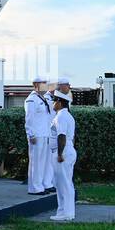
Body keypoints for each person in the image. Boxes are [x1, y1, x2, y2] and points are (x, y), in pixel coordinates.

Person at [50, 93, 77, 221]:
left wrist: (60, 154)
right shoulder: (67, 116)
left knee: (64, 184)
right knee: (63, 183)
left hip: (62, 152)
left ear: (60, 102)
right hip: (68, 150)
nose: (52, 103)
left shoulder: (61, 116)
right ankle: (63, 212)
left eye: (54, 101)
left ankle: (66, 214)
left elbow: (62, 136)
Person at [24, 76, 53, 195]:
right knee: (36, 162)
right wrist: (31, 134)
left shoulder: (43, 98)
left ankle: (44, 184)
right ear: (36, 85)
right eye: (43, 83)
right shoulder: (31, 100)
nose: (46, 85)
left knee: (45, 162)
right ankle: (35, 187)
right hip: (36, 135)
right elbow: (29, 119)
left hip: (45, 134)